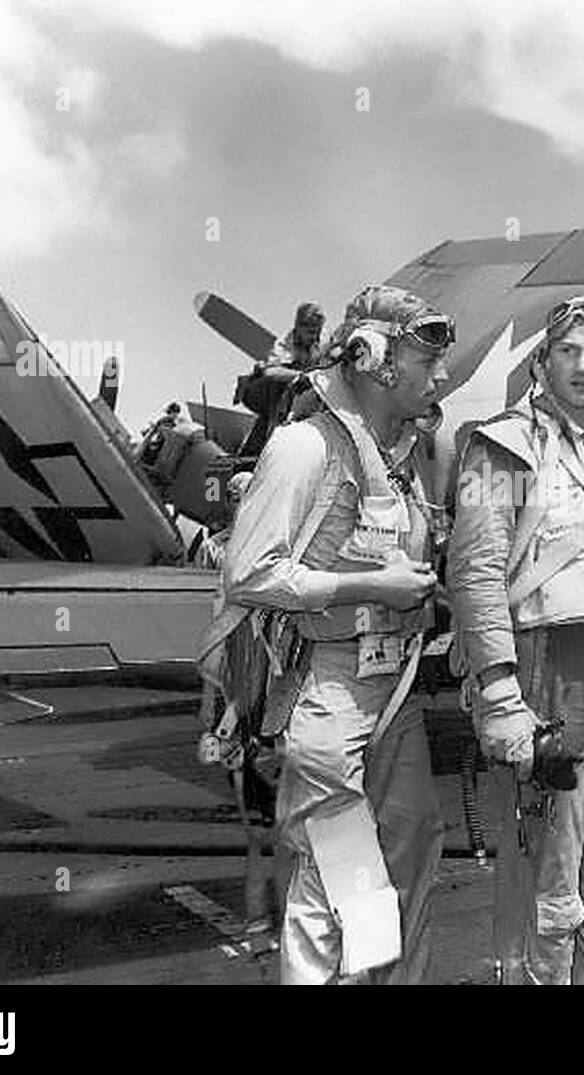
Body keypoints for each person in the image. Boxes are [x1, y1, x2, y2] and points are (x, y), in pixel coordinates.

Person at [201, 285, 454, 984]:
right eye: (425, 361)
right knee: (340, 878)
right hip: (324, 689)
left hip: (391, 689)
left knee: (408, 850)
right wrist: (373, 585)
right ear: (375, 359)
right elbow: (250, 574)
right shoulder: (303, 448)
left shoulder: (400, 456)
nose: (438, 378)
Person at [449, 295, 584, 985]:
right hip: (549, 673)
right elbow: (475, 574)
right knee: (549, 877)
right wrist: (502, 693)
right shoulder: (501, 447)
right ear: (542, 363)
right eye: (569, 351)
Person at [236, 301, 327, 458]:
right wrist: (300, 376)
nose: (313, 336)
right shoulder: (287, 342)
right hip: (276, 396)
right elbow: (271, 372)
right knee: (278, 387)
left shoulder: (325, 342)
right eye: (309, 331)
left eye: (316, 331)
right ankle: (264, 445)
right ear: (298, 327)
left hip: (311, 397)